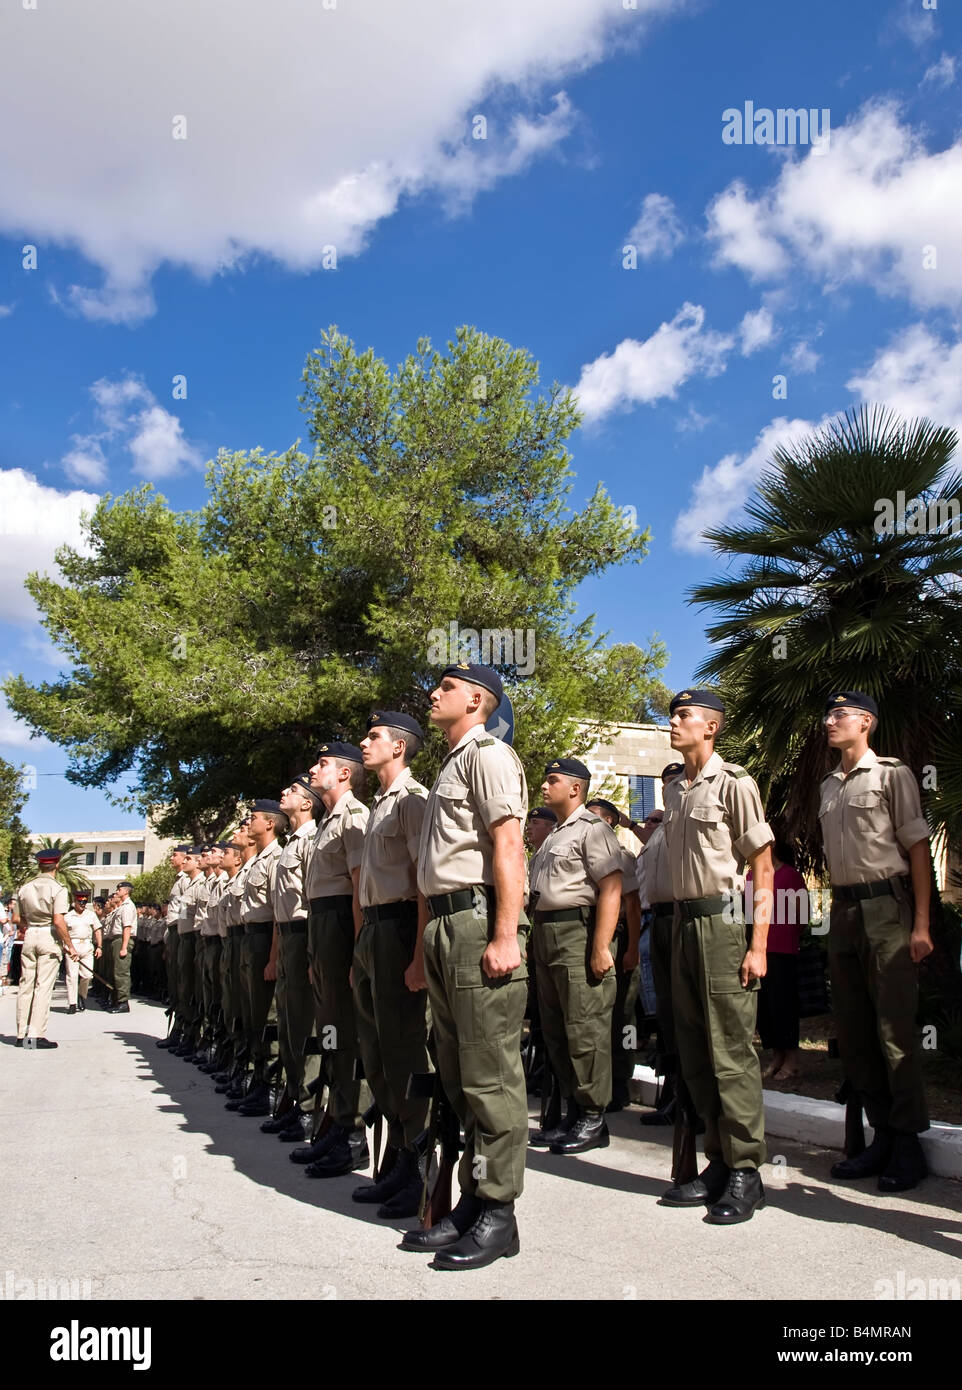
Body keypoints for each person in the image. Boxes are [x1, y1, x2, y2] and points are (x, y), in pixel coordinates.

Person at [401, 662, 528, 1271]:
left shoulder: (490, 756)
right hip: (444, 926)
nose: (434, 693)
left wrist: (505, 933)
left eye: (447, 687)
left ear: (477, 700)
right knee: (458, 1078)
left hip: (477, 924)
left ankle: (499, 1212)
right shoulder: (450, 762)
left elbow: (509, 845)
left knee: (490, 1076)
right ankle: (475, 1201)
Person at [661, 689, 774, 1225]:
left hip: (724, 923)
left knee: (730, 1050)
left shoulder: (735, 783)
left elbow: (763, 868)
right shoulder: (674, 789)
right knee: (694, 1051)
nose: (673, 722)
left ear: (711, 727)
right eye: (673, 714)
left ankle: (747, 1170)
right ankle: (719, 1161)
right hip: (682, 923)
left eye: (683, 715)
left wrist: (758, 945)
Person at [818, 690, 933, 1193]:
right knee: (855, 1030)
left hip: (886, 906)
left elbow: (917, 848)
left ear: (866, 722)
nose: (829, 721)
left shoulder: (891, 774)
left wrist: (921, 925)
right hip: (843, 910)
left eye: (839, 714)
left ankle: (907, 1144)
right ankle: (880, 1135)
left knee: (893, 1029)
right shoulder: (828, 785)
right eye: (828, 714)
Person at [351, 712, 432, 1217]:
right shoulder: (379, 804)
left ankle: (418, 1166)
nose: (365, 742)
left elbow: (424, 880)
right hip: (374, 931)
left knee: (404, 1049)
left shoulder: (413, 801)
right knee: (377, 1049)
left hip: (402, 927)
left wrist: (420, 953)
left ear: (399, 747)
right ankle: (397, 1156)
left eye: (374, 736)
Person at [527, 765, 623, 1153]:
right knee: (556, 1030)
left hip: (576, 933)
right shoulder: (555, 834)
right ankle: (573, 1111)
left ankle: (593, 1116)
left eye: (553, 780)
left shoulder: (592, 829)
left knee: (585, 1028)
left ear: (575, 788)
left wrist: (601, 947)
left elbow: (612, 887)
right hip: (545, 933)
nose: (544, 785)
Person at [291, 743, 370, 1177]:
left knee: (345, 1033)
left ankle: (353, 1133)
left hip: (341, 922)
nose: (312, 768)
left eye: (322, 763)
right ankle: (337, 1121)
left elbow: (358, 888)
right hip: (322, 926)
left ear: (343, 774)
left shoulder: (354, 816)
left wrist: (357, 950)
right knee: (331, 1032)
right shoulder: (327, 822)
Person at [264, 776, 322, 1139]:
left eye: (293, 790)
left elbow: (314, 899)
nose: (283, 793)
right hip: (286, 936)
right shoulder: (290, 844)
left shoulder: (312, 840)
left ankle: (310, 1106)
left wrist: (314, 952)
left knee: (306, 1027)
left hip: (303, 935)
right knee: (287, 1024)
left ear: (306, 804)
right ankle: (293, 1095)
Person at [584, 797, 642, 1112]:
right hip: (592, 937)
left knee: (623, 1015)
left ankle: (622, 1079)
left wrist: (632, 948)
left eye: (594, 815)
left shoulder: (622, 856)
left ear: (609, 821)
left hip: (619, 940)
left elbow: (632, 906)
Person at [232, 802, 287, 1117]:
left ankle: (270, 1085)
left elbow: (279, 912)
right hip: (249, 936)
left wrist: (273, 955)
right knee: (253, 1014)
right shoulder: (256, 862)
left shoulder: (276, 857)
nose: (247, 823)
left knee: (268, 1016)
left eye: (252, 818)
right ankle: (257, 1079)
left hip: (266, 937)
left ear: (268, 824)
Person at [638, 764, 685, 1126]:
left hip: (679, 916)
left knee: (684, 1015)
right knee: (666, 1017)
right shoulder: (658, 831)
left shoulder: (683, 822)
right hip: (657, 920)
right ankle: (673, 1094)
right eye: (665, 783)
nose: (669, 788)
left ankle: (687, 1099)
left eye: (675, 782)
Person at [747, 843, 807, 1082]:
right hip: (756, 951)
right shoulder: (749, 877)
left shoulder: (790, 875)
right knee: (765, 1008)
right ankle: (776, 1055)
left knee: (784, 1005)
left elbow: (803, 913)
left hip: (783, 950)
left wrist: (790, 934)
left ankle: (791, 1058)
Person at [14, 848, 78, 1047]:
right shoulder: (58, 888)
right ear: (57, 865)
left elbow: (16, 918)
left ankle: (21, 1034)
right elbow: (58, 921)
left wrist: (31, 924)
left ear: (39, 865)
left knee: (26, 985)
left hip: (30, 934)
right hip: (48, 935)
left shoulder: (25, 888)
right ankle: (35, 1035)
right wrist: (69, 945)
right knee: (43, 987)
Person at [157, 845, 192, 1049]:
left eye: (176, 855)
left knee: (181, 984)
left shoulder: (186, 880)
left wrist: (180, 931)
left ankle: (181, 1030)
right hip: (174, 931)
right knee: (174, 983)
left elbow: (184, 911)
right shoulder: (179, 879)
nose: (172, 858)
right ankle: (177, 1030)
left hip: (180, 930)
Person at [104, 881, 137, 1014]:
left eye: (119, 889)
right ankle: (116, 1000)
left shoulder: (128, 906)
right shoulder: (121, 907)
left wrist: (124, 947)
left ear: (126, 891)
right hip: (116, 940)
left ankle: (123, 1002)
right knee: (114, 972)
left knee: (121, 972)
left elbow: (127, 927)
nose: (117, 891)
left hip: (122, 940)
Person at [64, 889, 98, 1012]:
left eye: (84, 902)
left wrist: (99, 946)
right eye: (80, 902)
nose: (82, 904)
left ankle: (81, 995)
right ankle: (72, 1003)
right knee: (72, 976)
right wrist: (66, 947)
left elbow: (97, 929)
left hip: (87, 945)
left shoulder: (91, 915)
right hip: (72, 946)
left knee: (87, 975)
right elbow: (63, 932)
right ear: (75, 902)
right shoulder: (67, 916)